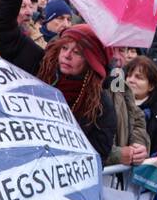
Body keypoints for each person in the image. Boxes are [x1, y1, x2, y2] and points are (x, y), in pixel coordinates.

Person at [36, 24, 118, 161]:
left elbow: (98, 156)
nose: (67, 56)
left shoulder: (100, 103)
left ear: (91, 61)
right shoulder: (43, 75)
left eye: (77, 52)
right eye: (64, 48)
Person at [124, 55, 157, 155]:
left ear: (151, 86)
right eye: (129, 75)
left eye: (139, 77)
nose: (131, 80)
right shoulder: (114, 104)